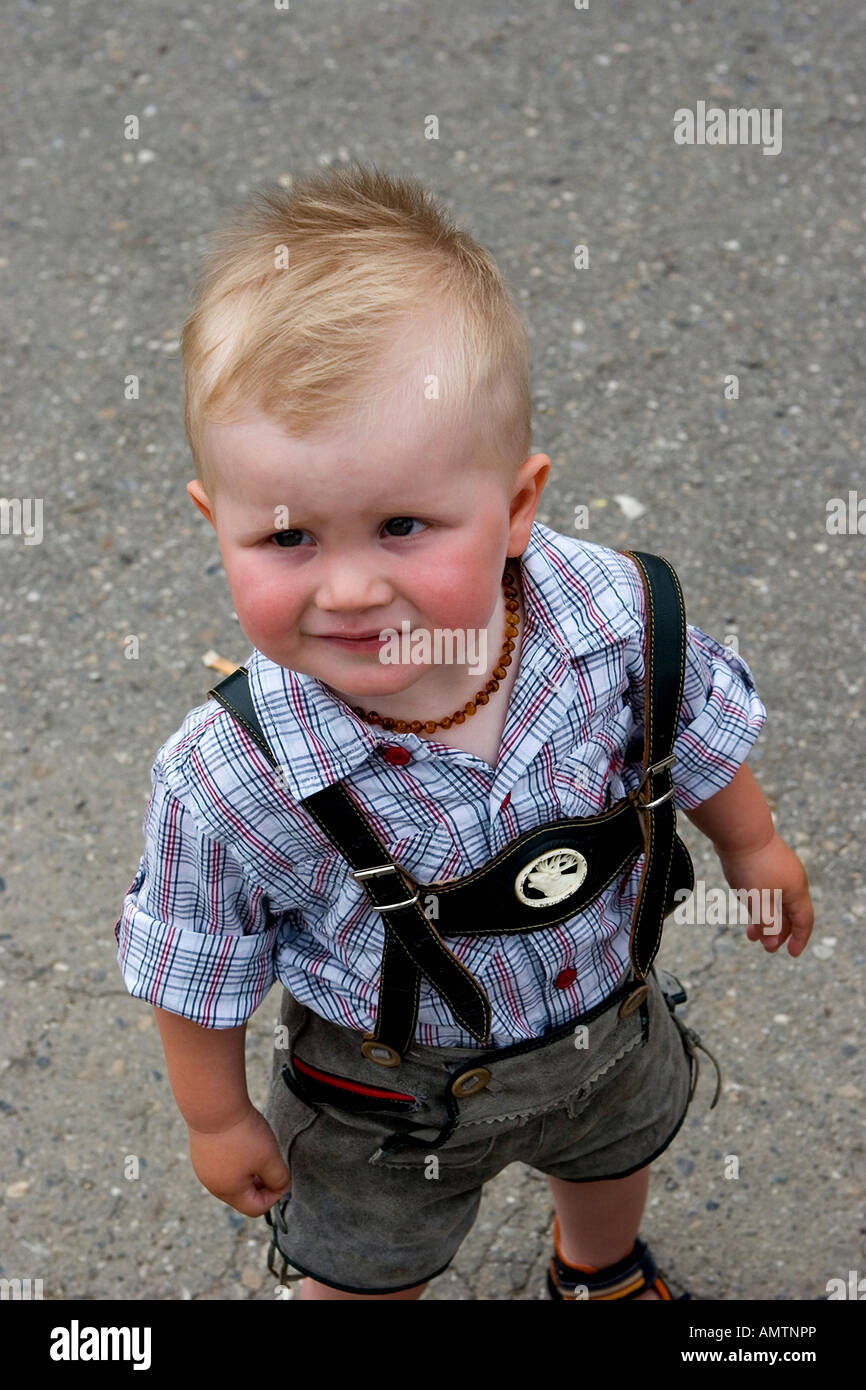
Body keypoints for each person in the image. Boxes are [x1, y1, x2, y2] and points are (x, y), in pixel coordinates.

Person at [114, 163, 814, 1301]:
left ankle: (595, 1269)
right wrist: (215, 1113)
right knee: (364, 1268)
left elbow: (688, 733)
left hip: (604, 1019)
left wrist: (749, 846)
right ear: (215, 518)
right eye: (285, 538)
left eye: (401, 525)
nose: (346, 588)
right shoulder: (228, 772)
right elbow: (194, 954)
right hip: (383, 1096)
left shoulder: (612, 618)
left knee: (612, 1160)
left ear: (516, 505)